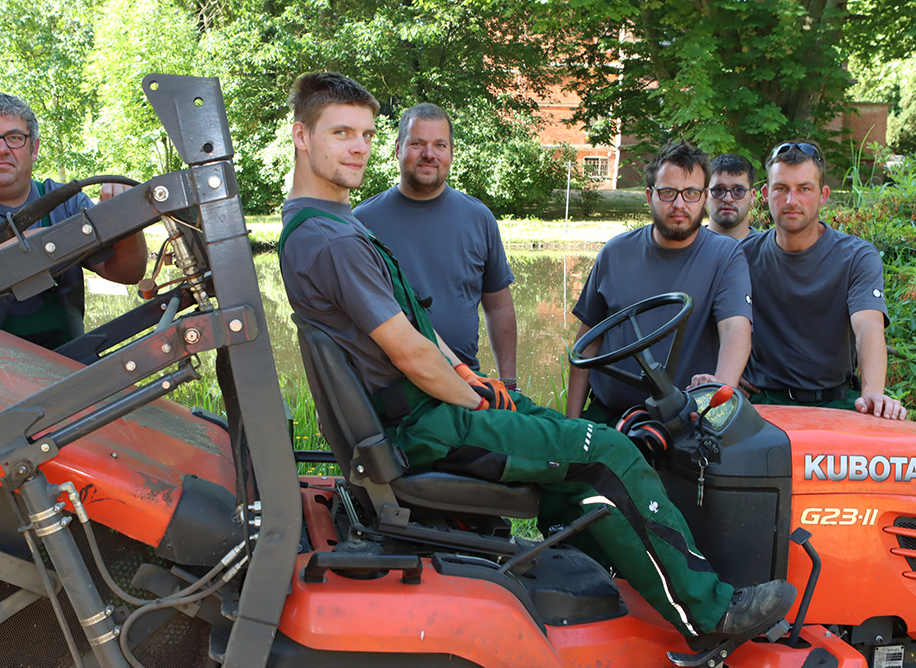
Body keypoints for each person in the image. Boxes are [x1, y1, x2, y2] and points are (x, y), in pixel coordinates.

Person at [278, 71, 794, 654]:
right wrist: (472, 397)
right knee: (607, 449)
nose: (358, 147)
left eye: (366, 134)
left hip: (427, 409)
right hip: (424, 425)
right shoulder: (333, 239)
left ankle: (612, 585)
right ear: (302, 136)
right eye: (341, 132)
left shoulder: (332, 223)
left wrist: (476, 377)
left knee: (576, 452)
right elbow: (410, 351)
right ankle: (713, 611)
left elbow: (421, 332)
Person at [0, 91, 147, 350]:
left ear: (33, 148)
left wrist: (127, 217)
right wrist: (75, 234)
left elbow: (128, 272)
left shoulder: (68, 201)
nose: (1, 149)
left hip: (65, 367)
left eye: (14, 138)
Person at [566, 143, 753, 424]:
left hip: (685, 420)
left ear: (703, 198)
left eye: (691, 193)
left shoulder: (725, 255)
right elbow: (586, 343)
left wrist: (718, 397)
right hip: (609, 416)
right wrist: (571, 424)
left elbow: (736, 330)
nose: (679, 204)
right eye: (668, 193)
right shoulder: (615, 253)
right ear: (649, 196)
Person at [740, 141, 907, 420]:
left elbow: (868, 327)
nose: (791, 201)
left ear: (823, 195)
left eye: (804, 189)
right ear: (766, 194)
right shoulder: (744, 256)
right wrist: (727, 378)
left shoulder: (856, 256)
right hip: (764, 403)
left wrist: (872, 394)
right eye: (781, 189)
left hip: (838, 402)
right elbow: (722, 323)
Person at [354, 103, 517, 387]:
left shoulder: (479, 218)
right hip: (392, 388)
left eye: (439, 145)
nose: (429, 154)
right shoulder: (362, 222)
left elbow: (499, 306)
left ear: (451, 152)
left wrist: (510, 382)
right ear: (397, 149)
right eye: (417, 143)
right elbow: (346, 319)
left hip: (468, 380)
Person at [706, 153, 759, 241]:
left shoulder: (767, 251)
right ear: (706, 195)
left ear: (752, 196)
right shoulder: (685, 246)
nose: (728, 199)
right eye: (719, 190)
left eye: (738, 190)